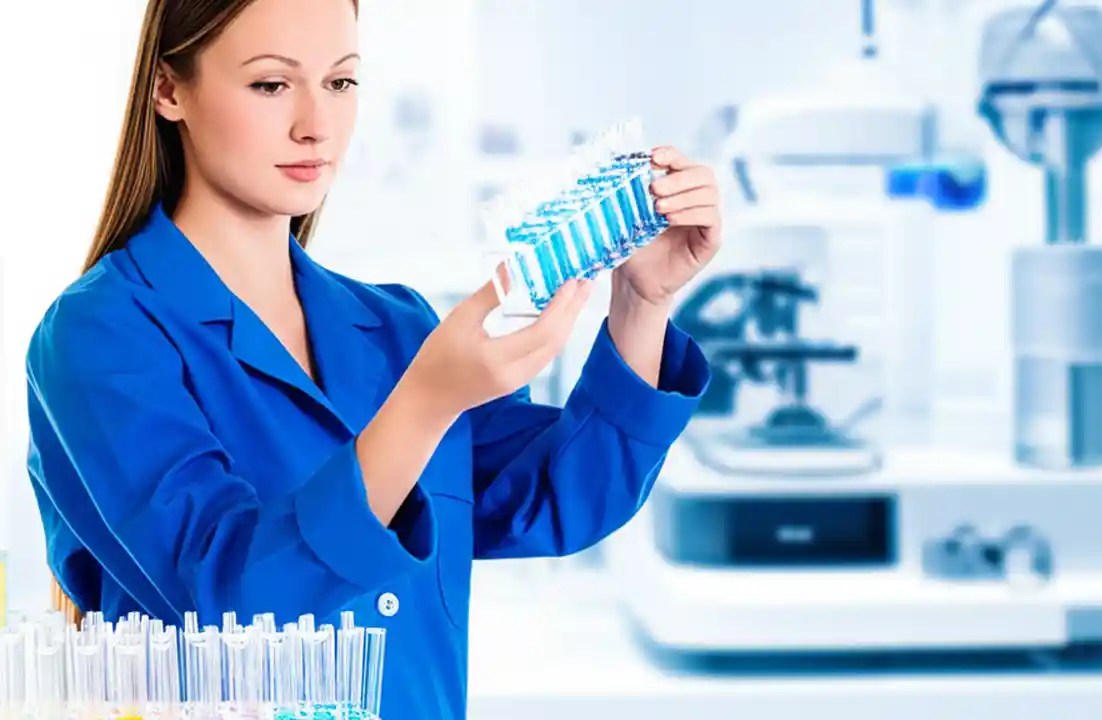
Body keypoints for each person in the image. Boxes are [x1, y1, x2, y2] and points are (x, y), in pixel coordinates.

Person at [24, 0, 721, 718]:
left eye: (341, 83)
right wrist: (422, 406)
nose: (315, 126)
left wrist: (642, 301)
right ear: (169, 90)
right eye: (271, 84)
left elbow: (558, 498)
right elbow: (228, 603)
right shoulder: (99, 336)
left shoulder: (394, 330)